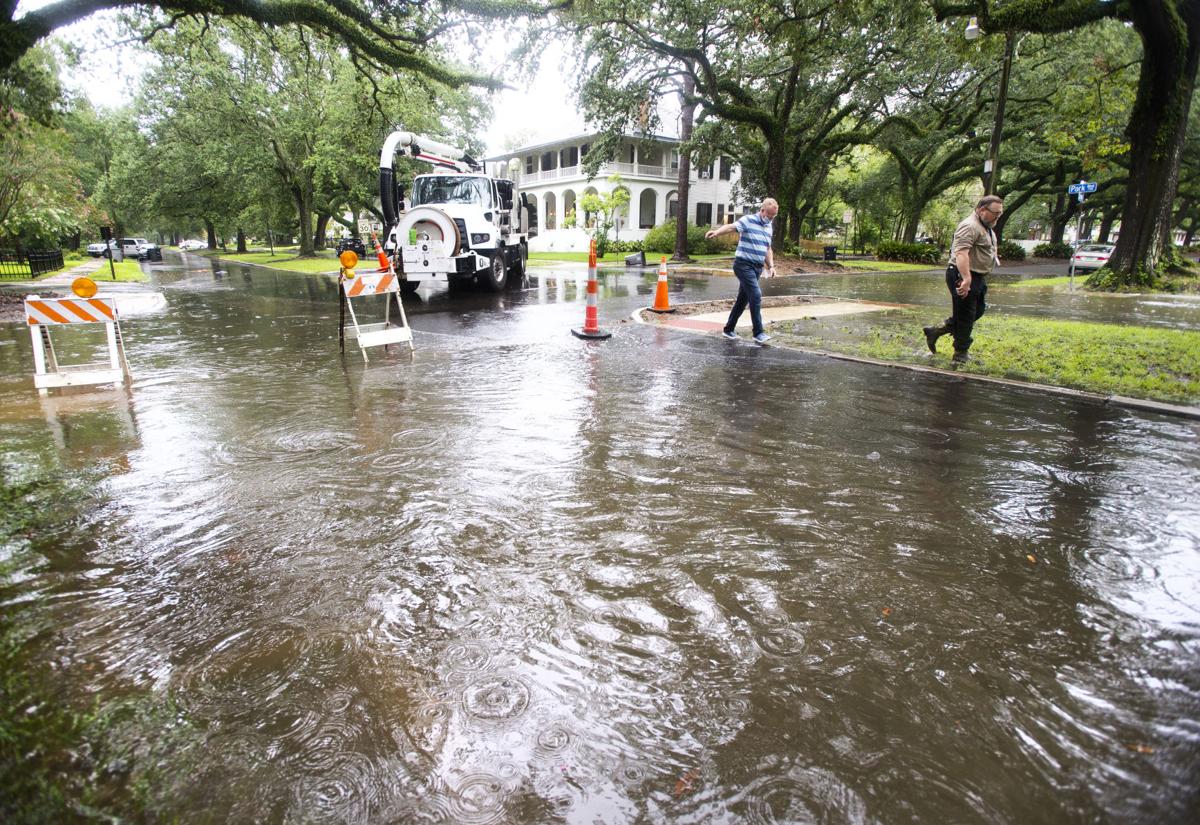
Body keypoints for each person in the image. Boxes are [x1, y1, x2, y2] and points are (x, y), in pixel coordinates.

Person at [923, 195, 1003, 364]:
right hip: (962, 274)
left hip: (977, 275)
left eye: (1000, 213)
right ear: (982, 210)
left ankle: (937, 331)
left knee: (977, 310)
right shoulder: (969, 226)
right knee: (966, 315)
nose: (998, 217)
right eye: (995, 213)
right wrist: (966, 279)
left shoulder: (985, 225)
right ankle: (960, 354)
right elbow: (961, 253)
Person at [706, 198, 778, 344]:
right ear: (762, 210)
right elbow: (731, 227)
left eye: (773, 216)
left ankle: (728, 329)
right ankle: (758, 333)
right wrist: (717, 232)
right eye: (769, 215)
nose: (770, 218)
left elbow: (767, 248)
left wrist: (771, 266)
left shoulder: (769, 226)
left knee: (742, 300)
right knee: (756, 295)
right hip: (743, 265)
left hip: (757, 267)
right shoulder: (748, 220)